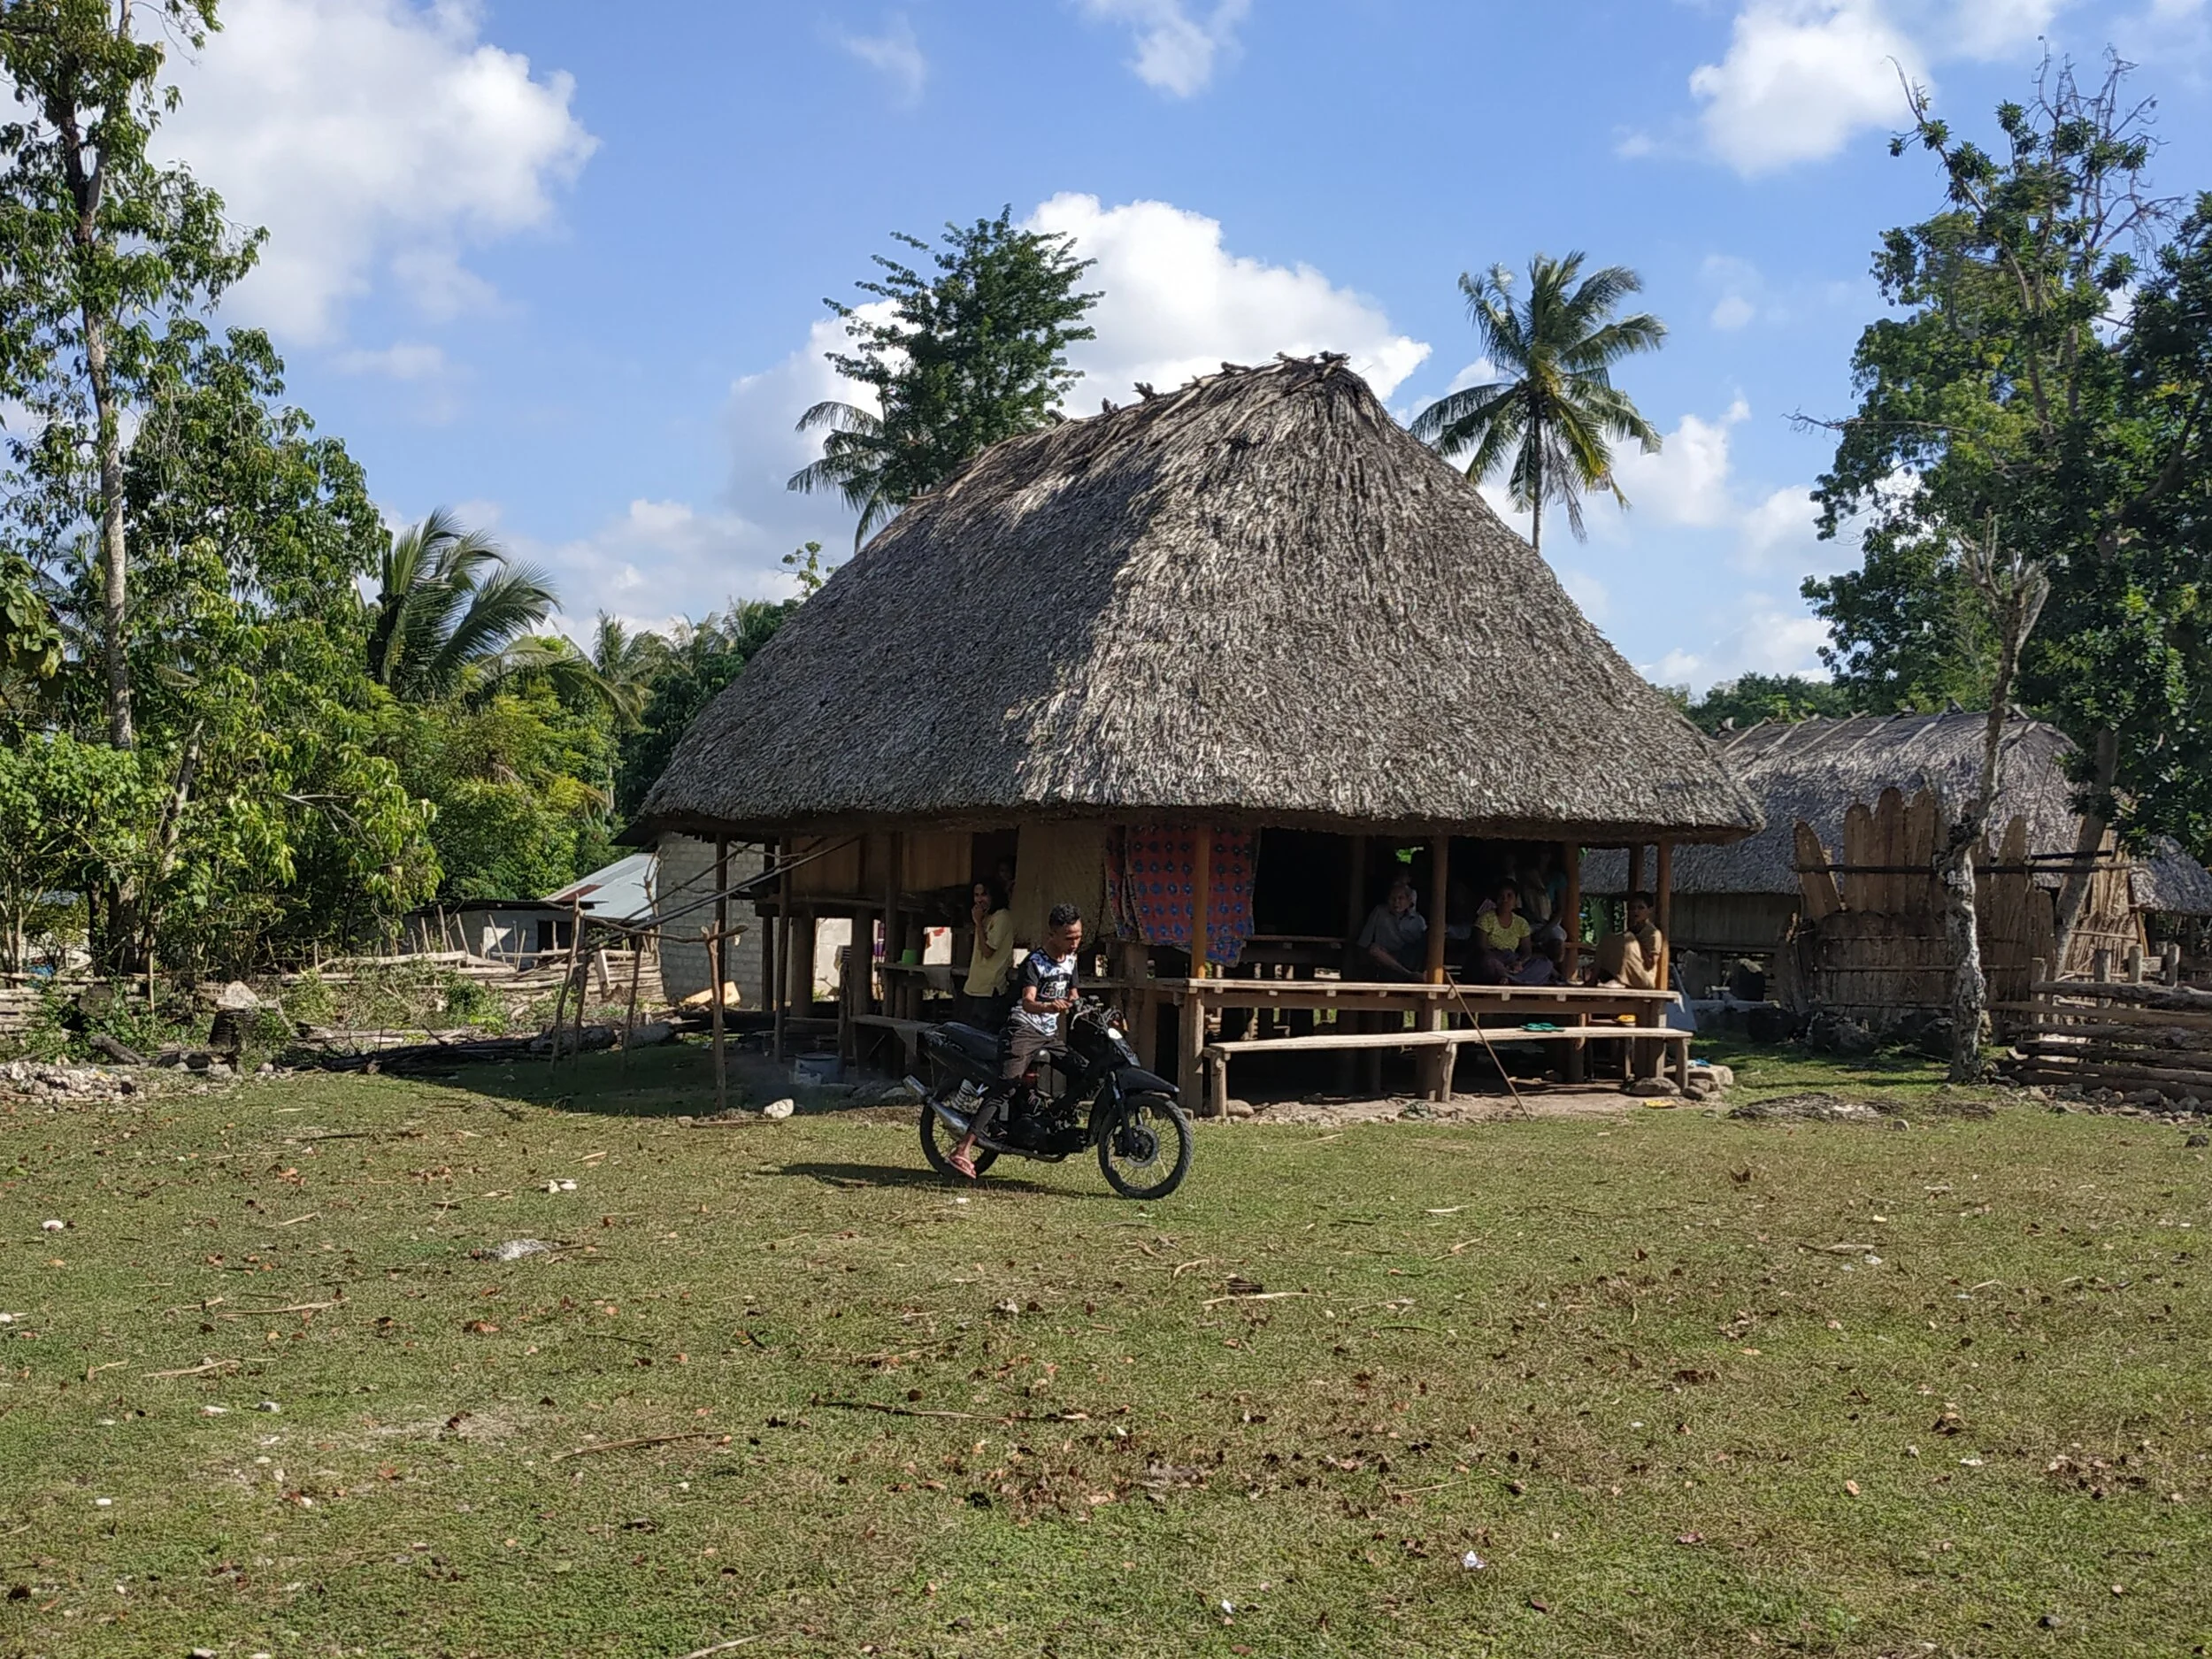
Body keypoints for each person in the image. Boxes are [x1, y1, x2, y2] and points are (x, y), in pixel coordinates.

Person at [947, 902, 1083, 1179]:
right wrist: (1050, 1007)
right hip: (1023, 1029)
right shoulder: (1035, 962)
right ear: (1052, 935)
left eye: (1078, 935)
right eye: (1069, 938)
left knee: (1082, 1070)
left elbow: (1074, 992)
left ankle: (1047, 1120)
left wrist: (1077, 1003)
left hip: (1048, 1035)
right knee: (1006, 1085)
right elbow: (1028, 1002)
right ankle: (962, 1149)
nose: (1075, 942)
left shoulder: (1071, 960)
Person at [960, 878, 1014, 1028]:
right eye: (976, 895)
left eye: (984, 895)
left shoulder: (1002, 917)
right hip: (973, 985)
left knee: (983, 1038)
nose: (979, 900)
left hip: (990, 989)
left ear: (993, 896)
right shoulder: (985, 917)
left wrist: (978, 923)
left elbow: (988, 951)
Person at [1477, 879, 1554, 985]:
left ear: (1515, 900)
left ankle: (1510, 978)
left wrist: (1519, 963)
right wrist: (1499, 964)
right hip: (1493, 959)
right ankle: (1510, 978)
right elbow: (1481, 948)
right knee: (1489, 963)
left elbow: (1527, 951)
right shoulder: (1486, 919)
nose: (1505, 900)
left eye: (1509, 896)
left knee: (1545, 964)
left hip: (1512, 960)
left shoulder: (1521, 923)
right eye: (1501, 896)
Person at [1356, 876, 1426, 979]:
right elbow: (1364, 942)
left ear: (1409, 901)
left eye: (1401, 898)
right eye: (1393, 899)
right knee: (1374, 949)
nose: (1396, 902)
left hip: (1409, 958)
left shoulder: (1418, 920)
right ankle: (1409, 975)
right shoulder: (1379, 912)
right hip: (1387, 958)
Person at [1596, 892, 1664, 990]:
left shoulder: (1653, 934)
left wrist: (1635, 943)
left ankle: (1621, 980)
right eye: (1633, 908)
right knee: (1608, 938)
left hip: (1644, 978)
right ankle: (1595, 978)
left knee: (1628, 939)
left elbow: (1651, 963)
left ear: (1650, 910)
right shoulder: (1632, 929)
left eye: (1641, 908)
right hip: (1630, 974)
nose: (1636, 911)